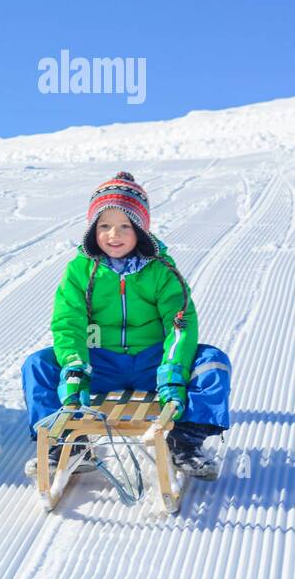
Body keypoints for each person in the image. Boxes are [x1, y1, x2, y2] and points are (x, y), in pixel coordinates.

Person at [21, 172, 231, 479]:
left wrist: (172, 371)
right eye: (104, 226)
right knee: (38, 365)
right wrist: (76, 368)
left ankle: (185, 440)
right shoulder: (80, 271)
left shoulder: (160, 271)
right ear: (93, 230)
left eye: (124, 226)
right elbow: (69, 323)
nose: (112, 235)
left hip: (151, 362)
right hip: (100, 362)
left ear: (141, 230)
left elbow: (180, 323)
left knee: (212, 363)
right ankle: (67, 440)